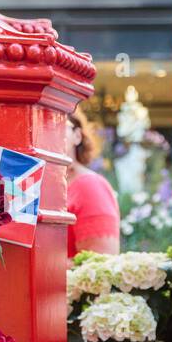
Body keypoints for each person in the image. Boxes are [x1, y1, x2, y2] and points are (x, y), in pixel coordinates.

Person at [64, 105, 120, 258]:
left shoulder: (89, 186)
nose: (50, 130)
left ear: (77, 136)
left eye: (60, 123)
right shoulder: (31, 183)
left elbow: (98, 266)